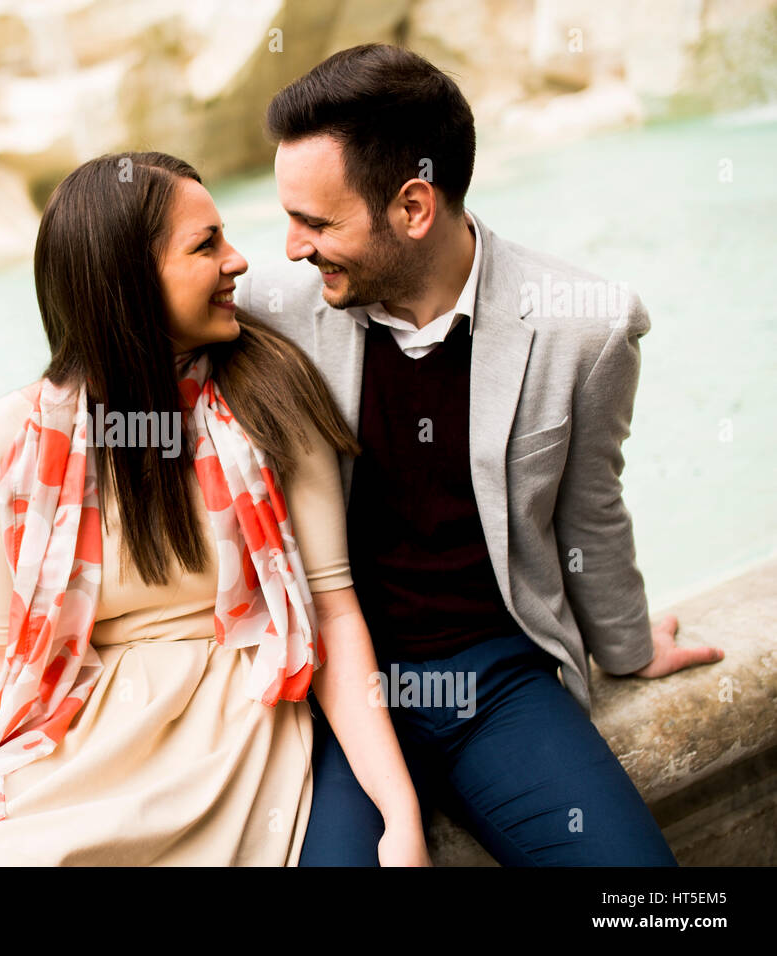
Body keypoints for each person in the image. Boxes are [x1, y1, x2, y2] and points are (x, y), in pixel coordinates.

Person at [235, 43, 725, 866]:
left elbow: (590, 506)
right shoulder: (265, 311)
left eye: (316, 221)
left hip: (501, 685)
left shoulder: (585, 328)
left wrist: (630, 644)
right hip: (334, 695)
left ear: (414, 206)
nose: (288, 247)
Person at [0, 151, 430, 867]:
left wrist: (399, 814)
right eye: (206, 245)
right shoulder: (11, 441)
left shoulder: (270, 400)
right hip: (82, 732)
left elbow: (333, 614)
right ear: (126, 284)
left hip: (237, 729)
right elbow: (1, 648)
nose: (238, 262)